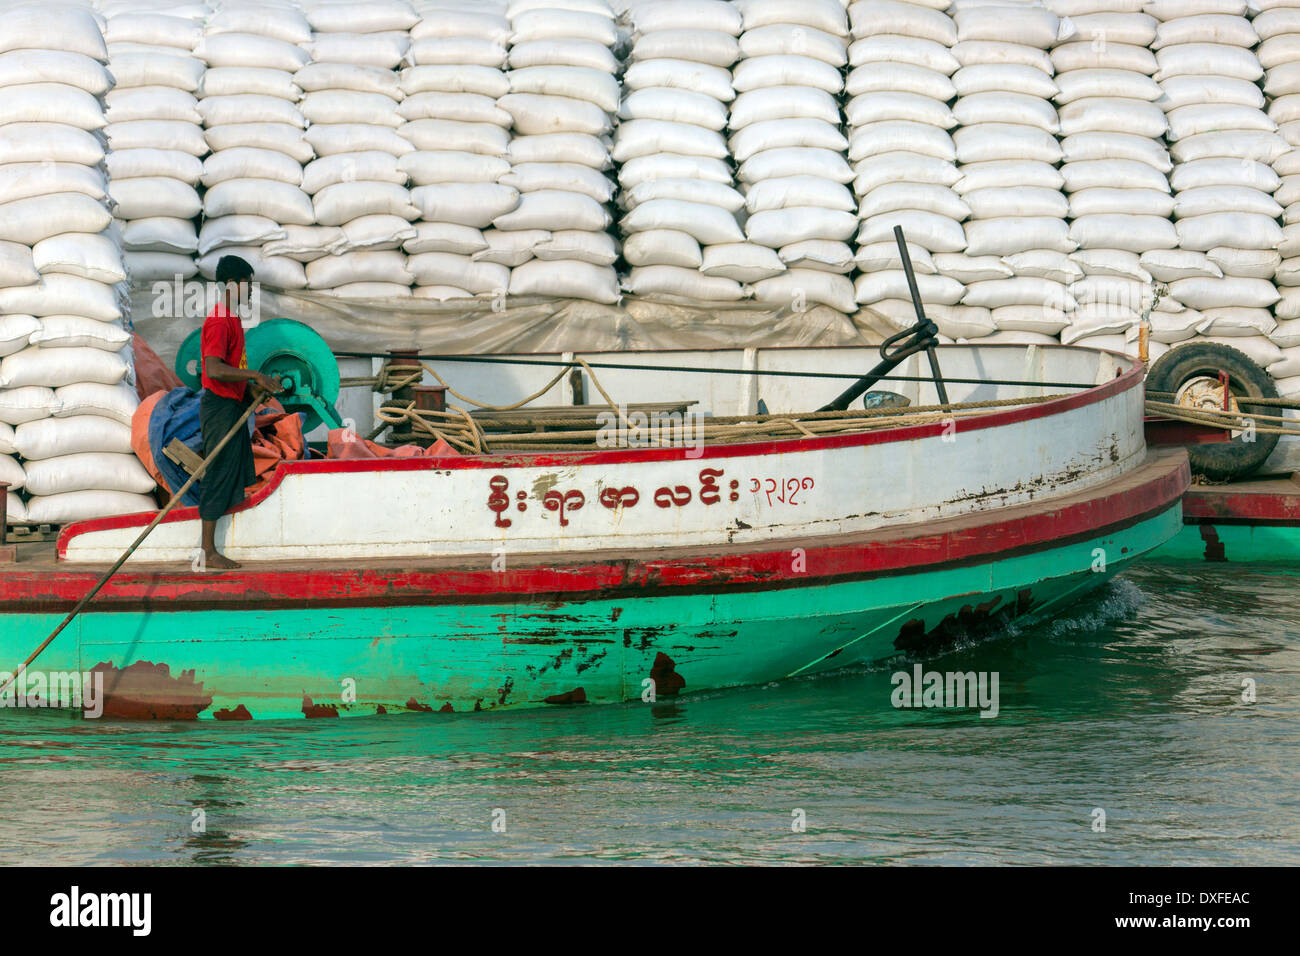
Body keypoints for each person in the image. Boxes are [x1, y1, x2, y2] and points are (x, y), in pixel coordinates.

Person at [198, 255, 282, 570]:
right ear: (233, 284)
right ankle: (207, 551)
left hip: (231, 406)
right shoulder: (220, 320)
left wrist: (253, 391)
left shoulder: (233, 320)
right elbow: (214, 369)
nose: (250, 290)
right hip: (219, 408)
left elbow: (232, 369)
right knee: (217, 471)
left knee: (231, 471)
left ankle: (215, 548)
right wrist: (255, 377)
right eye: (247, 283)